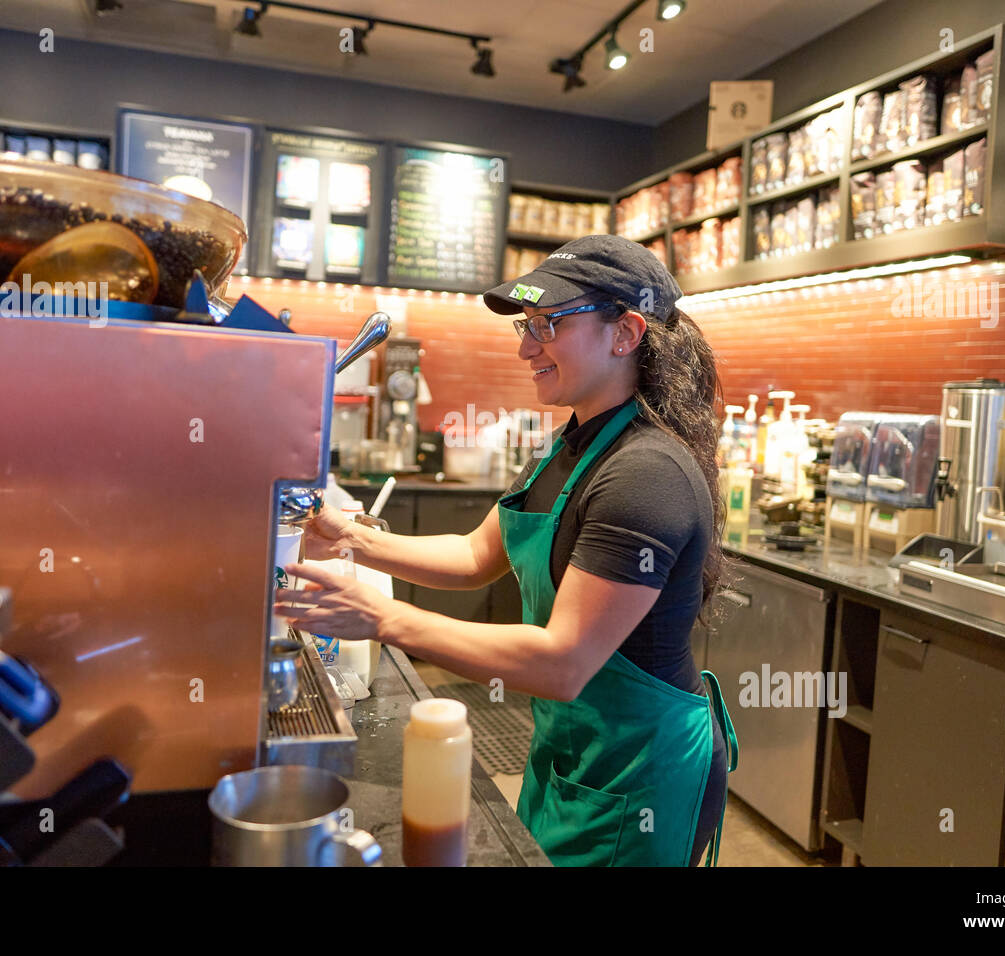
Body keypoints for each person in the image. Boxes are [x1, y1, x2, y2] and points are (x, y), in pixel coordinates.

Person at [277, 235, 737, 867]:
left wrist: (382, 617)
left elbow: (562, 662)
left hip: (638, 767)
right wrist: (351, 537)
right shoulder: (568, 443)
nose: (526, 347)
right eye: (527, 325)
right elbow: (474, 557)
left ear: (625, 332)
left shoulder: (646, 473)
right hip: (570, 748)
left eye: (547, 325)